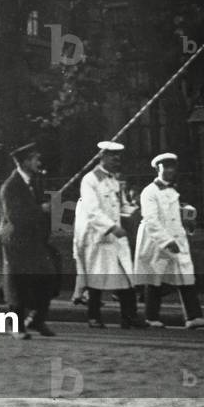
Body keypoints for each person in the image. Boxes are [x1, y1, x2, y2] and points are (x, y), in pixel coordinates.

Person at [73, 140, 146, 328]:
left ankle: (129, 317)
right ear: (102, 157)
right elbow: (92, 210)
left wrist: (134, 210)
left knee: (125, 276)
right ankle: (94, 317)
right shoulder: (90, 180)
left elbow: (120, 205)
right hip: (98, 237)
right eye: (112, 156)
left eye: (118, 156)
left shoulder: (114, 180)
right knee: (97, 278)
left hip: (116, 237)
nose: (116, 159)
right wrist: (111, 227)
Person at [135, 153, 204, 329]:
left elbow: (175, 217)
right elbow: (151, 219)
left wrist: (188, 222)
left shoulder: (173, 191)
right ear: (157, 169)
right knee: (155, 277)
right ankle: (151, 317)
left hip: (176, 240)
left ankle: (193, 317)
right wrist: (165, 240)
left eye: (172, 167)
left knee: (185, 276)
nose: (169, 171)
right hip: (157, 242)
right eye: (165, 167)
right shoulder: (149, 192)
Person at [0, 143, 56, 339]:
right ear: (24, 162)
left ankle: (37, 319)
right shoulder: (10, 187)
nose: (38, 163)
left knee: (48, 278)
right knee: (18, 286)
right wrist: (41, 210)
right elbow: (15, 216)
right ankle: (16, 326)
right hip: (16, 242)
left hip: (35, 241)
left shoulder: (34, 182)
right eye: (34, 159)